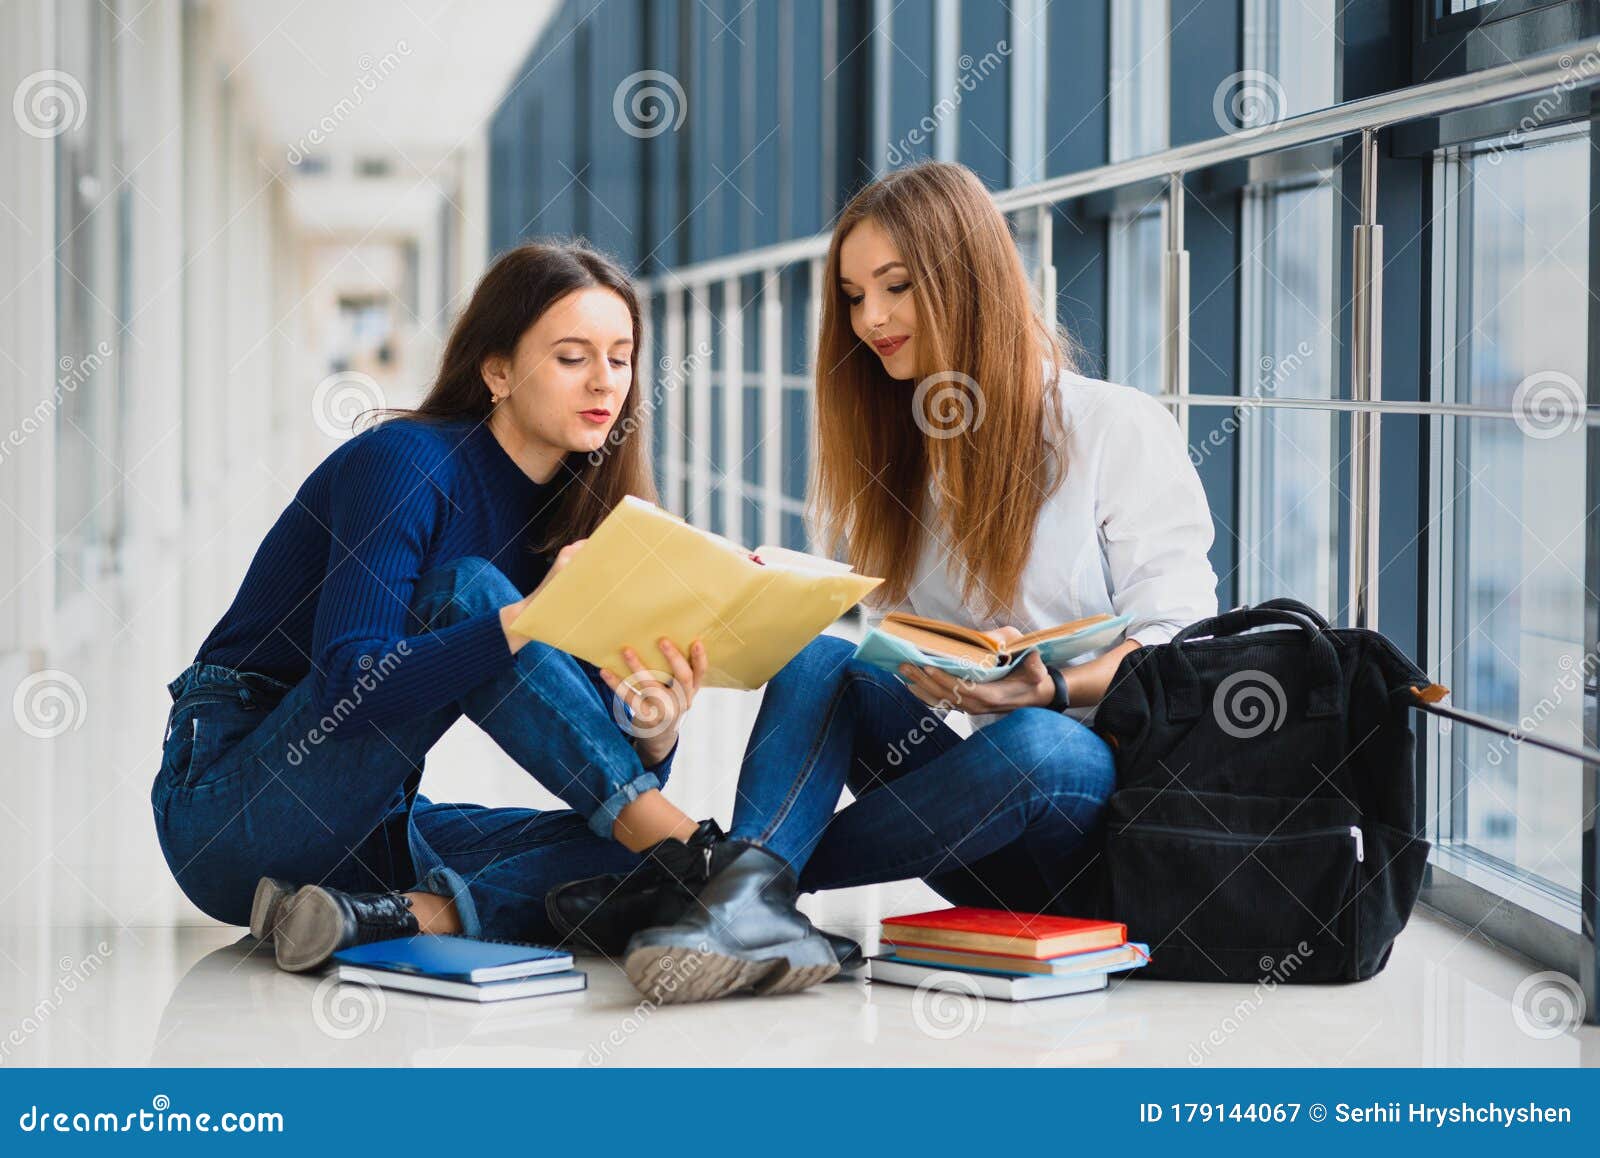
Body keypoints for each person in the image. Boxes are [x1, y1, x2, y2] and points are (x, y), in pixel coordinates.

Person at [552, 160, 1219, 1004]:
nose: (870, 319)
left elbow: (1179, 646)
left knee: (1040, 747)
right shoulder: (914, 459)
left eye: (896, 287)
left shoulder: (1111, 427)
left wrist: (1052, 691)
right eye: (854, 296)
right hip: (976, 840)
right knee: (824, 663)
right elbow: (909, 656)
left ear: (965, 279)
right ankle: (745, 894)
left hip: (1090, 822)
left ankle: (714, 886)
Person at [150, 240, 845, 991]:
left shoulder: (568, 522)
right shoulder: (405, 462)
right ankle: (709, 861)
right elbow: (347, 687)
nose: (604, 381)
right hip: (234, 811)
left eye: (621, 358)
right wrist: (521, 621)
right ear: (498, 371)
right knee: (470, 593)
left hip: (366, 839)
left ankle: (388, 916)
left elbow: (595, 769)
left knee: (624, 851)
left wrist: (655, 727)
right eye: (573, 357)